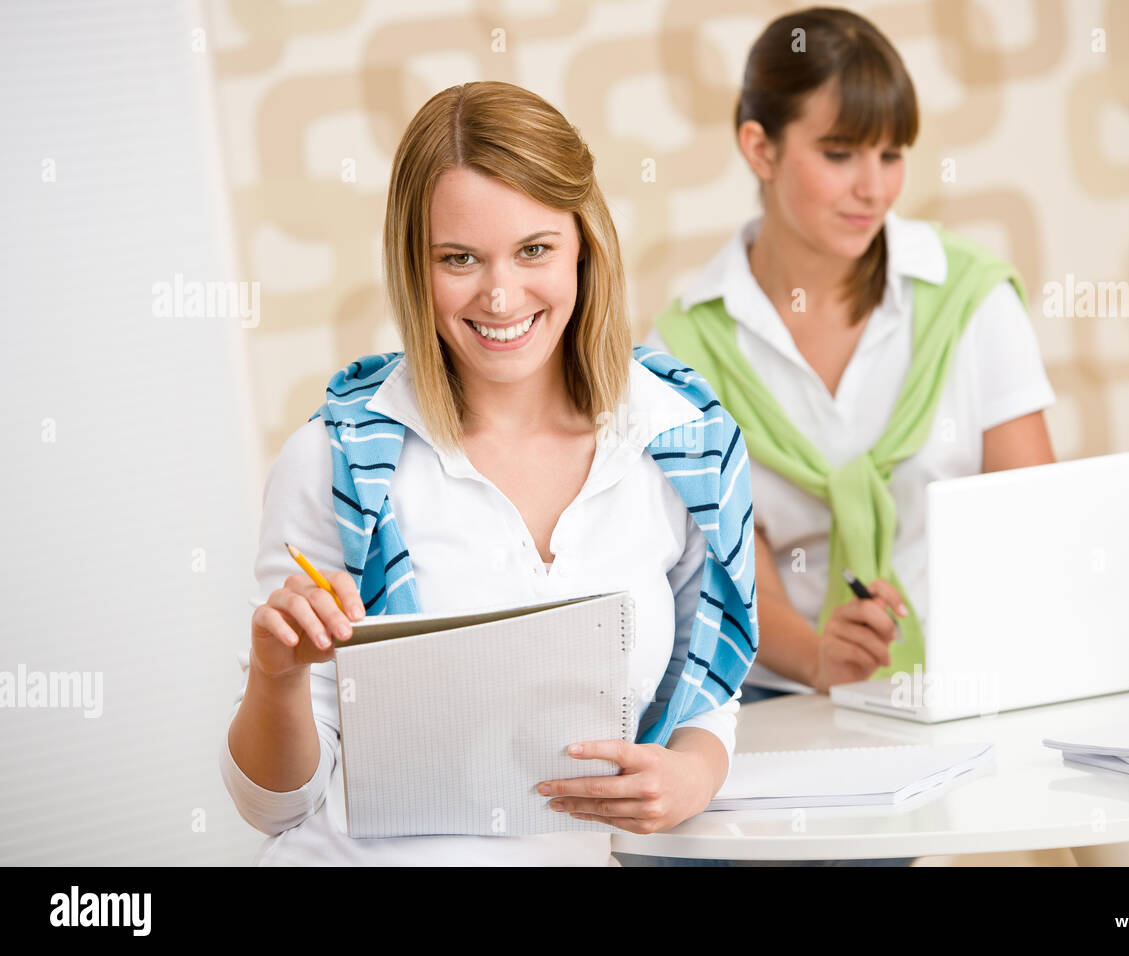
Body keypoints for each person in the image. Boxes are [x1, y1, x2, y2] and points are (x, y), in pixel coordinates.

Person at [219, 80, 757, 866]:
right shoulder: (338, 463)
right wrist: (275, 677)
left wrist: (694, 775)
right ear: (415, 266)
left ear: (585, 243)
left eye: (535, 250)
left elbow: (711, 683)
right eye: (459, 259)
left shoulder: (680, 441)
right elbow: (273, 809)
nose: (501, 296)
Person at [644, 5, 1056, 710]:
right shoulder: (684, 351)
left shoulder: (971, 299)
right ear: (760, 148)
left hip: (973, 679)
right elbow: (732, 574)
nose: (874, 188)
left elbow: (1035, 521)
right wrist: (820, 658)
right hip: (784, 700)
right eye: (840, 154)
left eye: (891, 155)